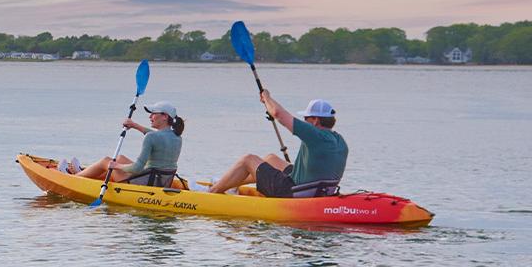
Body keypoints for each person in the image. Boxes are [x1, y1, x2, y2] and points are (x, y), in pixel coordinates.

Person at [207, 91, 347, 197]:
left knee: (248, 159)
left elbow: (278, 113)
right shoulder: (340, 141)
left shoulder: (316, 135)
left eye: (306, 118)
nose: (304, 121)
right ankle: (230, 184)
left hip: (293, 192)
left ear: (315, 120)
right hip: (318, 189)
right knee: (271, 159)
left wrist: (267, 98)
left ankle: (212, 191)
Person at [74, 101, 186, 187]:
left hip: (144, 184)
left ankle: (74, 178)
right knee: (120, 158)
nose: (150, 117)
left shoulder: (151, 137)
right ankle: (85, 173)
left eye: (153, 114)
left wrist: (116, 166)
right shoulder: (177, 137)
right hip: (160, 181)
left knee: (107, 162)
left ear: (165, 116)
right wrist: (134, 125)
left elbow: (137, 168)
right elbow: (157, 136)